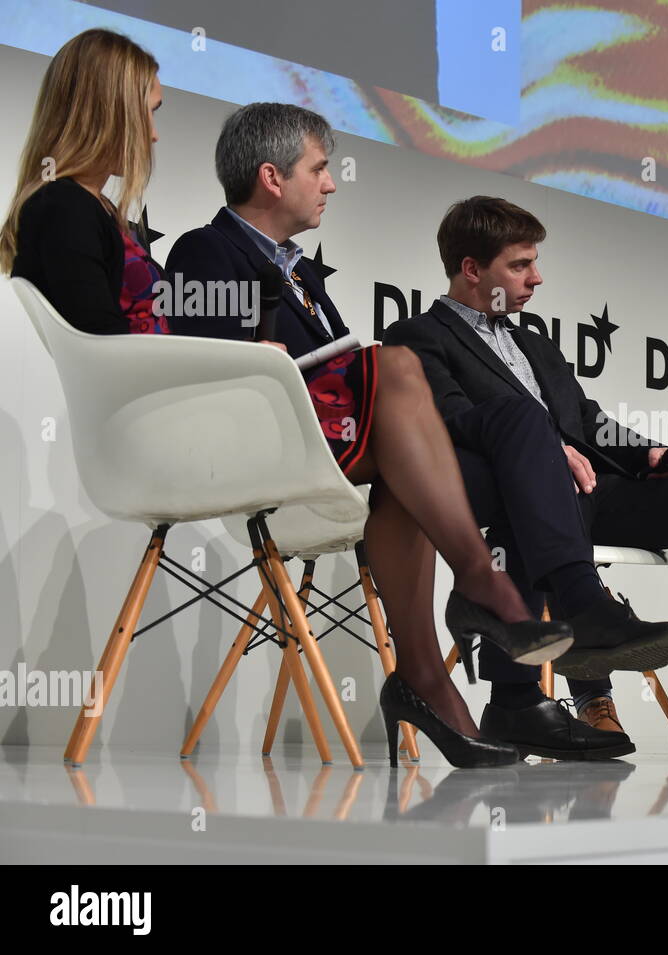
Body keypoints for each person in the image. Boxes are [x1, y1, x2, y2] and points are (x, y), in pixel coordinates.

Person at [2, 30, 572, 769]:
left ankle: (428, 676)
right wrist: (236, 357)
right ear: (108, 108)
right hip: (171, 436)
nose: (153, 128)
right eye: (148, 108)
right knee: (396, 368)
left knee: (399, 426)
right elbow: (116, 352)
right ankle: (476, 591)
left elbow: (139, 337)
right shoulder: (64, 209)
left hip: (205, 416)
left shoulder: (94, 213)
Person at [384, 196, 668, 757]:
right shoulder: (418, 335)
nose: (538, 277)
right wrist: (550, 451)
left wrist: (647, 454)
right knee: (528, 484)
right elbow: (449, 421)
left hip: (590, 491)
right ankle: (534, 683)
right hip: (510, 493)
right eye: (521, 265)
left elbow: (589, 420)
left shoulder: (534, 341)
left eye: (535, 262)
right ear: (472, 268)